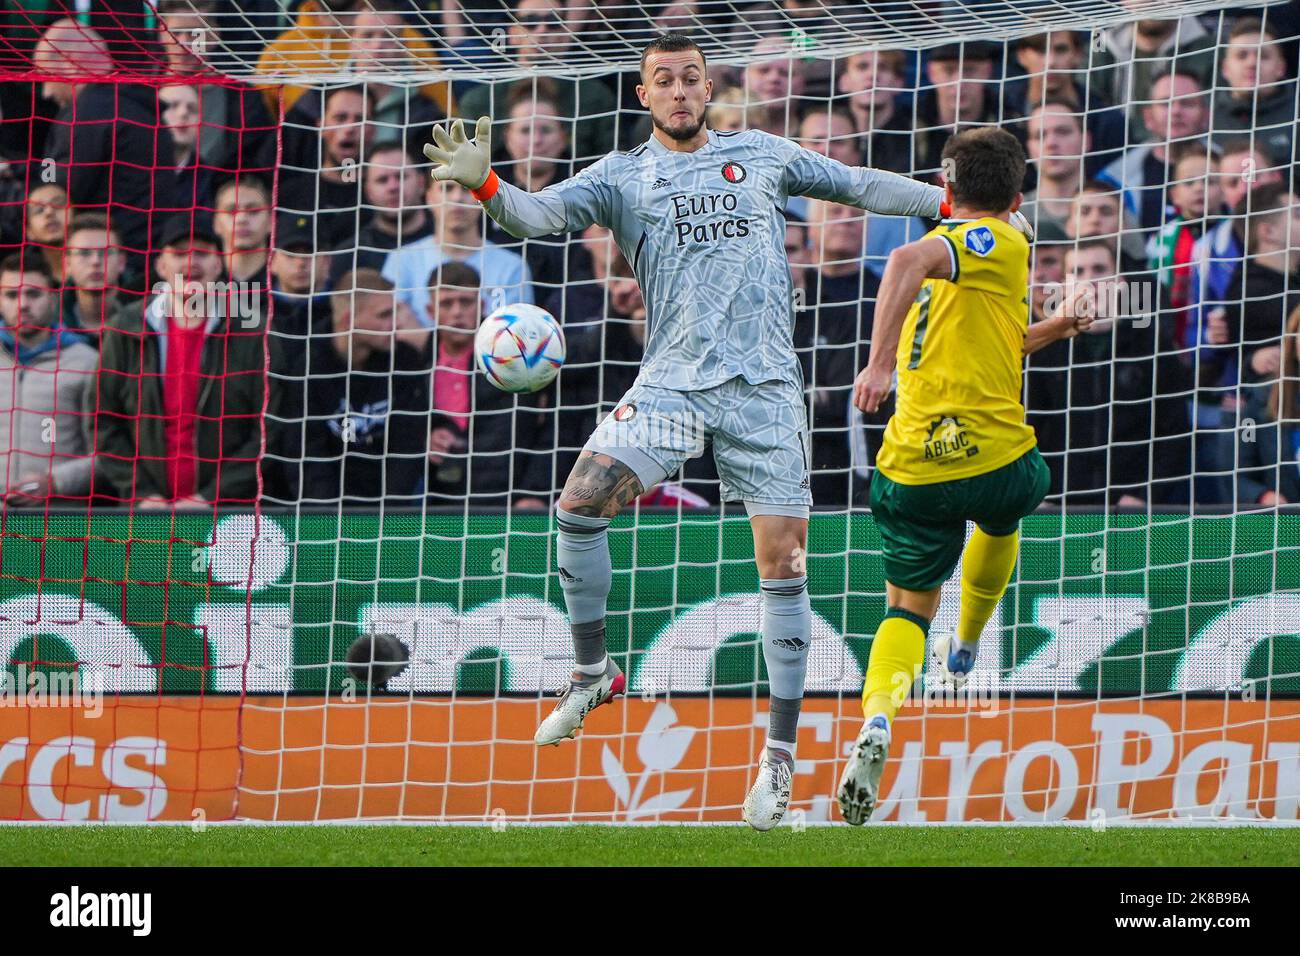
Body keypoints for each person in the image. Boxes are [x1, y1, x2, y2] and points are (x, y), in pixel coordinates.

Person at [422, 32, 1034, 832]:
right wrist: (488, 187)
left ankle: (778, 763)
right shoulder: (620, 175)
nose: (679, 91)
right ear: (643, 95)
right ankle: (592, 669)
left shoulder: (764, 152)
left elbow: (855, 184)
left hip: (768, 391)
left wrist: (946, 204)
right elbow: (540, 216)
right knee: (577, 505)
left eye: (692, 79)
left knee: (782, 567)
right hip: (673, 381)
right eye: (664, 80)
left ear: (709, 89)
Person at [835, 127, 1088, 825]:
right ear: (1015, 197)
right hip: (998, 461)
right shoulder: (1000, 242)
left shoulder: (953, 277)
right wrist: (878, 364)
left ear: (945, 191)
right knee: (1006, 510)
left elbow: (995, 332)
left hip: (915, 468)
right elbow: (907, 257)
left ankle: (881, 717)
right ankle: (970, 641)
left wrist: (1054, 327)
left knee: (904, 611)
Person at [95, 216, 263, 508]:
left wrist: (210, 497)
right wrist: (141, 493)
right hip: (145, 516)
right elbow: (103, 421)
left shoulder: (252, 333)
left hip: (228, 516)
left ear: (218, 265)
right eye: (179, 253)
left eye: (201, 253)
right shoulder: (124, 328)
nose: (191, 262)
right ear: (161, 266)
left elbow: (267, 430)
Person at [0, 251, 98, 504]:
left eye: (33, 294)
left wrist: (54, 481)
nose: (22, 304)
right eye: (11, 295)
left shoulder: (86, 361)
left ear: (53, 298)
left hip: (57, 523)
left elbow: (107, 455)